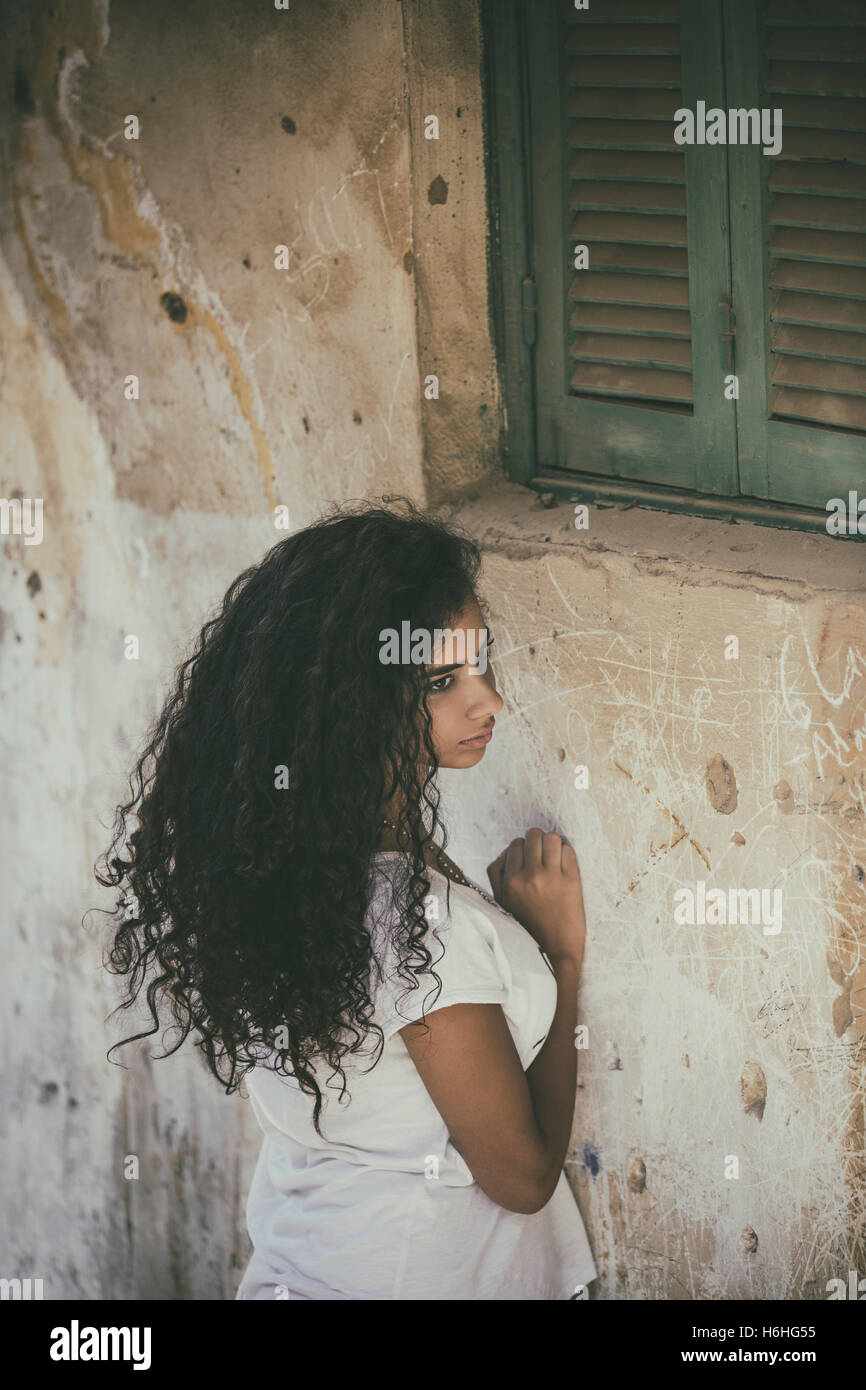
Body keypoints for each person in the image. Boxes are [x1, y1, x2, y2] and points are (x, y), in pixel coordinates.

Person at [96, 496, 596, 1299]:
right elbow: (525, 1175)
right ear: (355, 700)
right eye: (441, 680)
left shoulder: (281, 867)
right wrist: (563, 957)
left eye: (482, 663)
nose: (488, 701)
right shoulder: (412, 928)